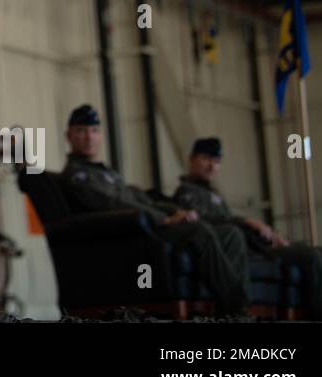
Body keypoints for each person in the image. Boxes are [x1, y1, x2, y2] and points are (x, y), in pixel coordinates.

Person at [60, 104, 249, 316]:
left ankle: (226, 309)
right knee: (200, 232)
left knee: (231, 235)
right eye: (81, 131)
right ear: (69, 135)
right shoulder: (78, 176)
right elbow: (112, 204)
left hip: (150, 222)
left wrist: (176, 211)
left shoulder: (107, 173)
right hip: (135, 232)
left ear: (101, 136)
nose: (88, 137)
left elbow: (142, 199)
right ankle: (237, 308)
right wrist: (163, 219)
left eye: (94, 131)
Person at [174, 137, 322, 320]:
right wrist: (247, 221)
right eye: (206, 159)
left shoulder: (214, 194)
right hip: (253, 248)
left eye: (216, 162)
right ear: (192, 159)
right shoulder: (186, 192)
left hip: (261, 240)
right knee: (312, 258)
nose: (212, 166)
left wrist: (271, 233)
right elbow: (209, 222)